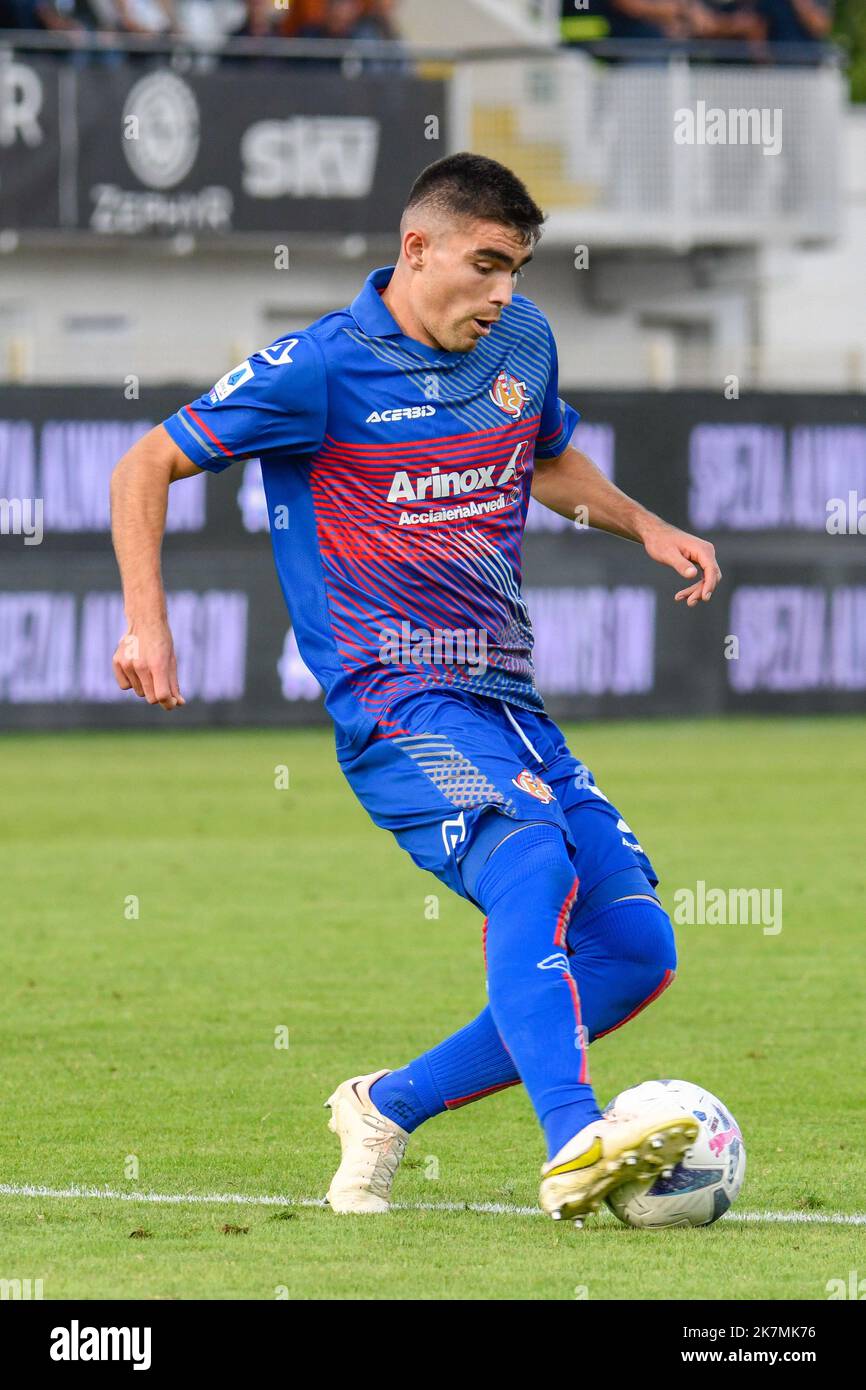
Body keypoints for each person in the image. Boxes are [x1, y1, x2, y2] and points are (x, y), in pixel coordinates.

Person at [110, 153, 720, 1223]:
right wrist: (146, 623)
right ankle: (575, 1138)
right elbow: (143, 464)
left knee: (631, 951)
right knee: (526, 857)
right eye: (485, 265)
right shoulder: (317, 369)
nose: (502, 293)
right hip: (395, 707)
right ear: (416, 248)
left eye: (517, 270)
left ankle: (384, 1105)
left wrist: (647, 523)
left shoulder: (519, 343)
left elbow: (549, 455)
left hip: (510, 706)